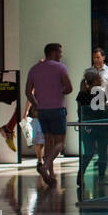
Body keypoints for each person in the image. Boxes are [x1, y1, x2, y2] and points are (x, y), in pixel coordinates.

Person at [25, 43, 72, 187]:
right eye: (59, 52)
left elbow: (28, 92)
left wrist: (37, 104)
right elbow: (69, 88)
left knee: (49, 142)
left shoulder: (34, 69)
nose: (60, 55)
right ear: (52, 53)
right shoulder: (60, 68)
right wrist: (59, 92)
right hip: (57, 109)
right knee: (60, 143)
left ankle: (51, 175)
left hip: (42, 111)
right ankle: (45, 167)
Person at [76, 68, 108, 200]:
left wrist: (82, 123)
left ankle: (81, 173)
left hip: (87, 127)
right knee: (102, 152)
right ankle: (101, 177)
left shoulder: (81, 94)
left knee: (89, 151)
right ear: (96, 80)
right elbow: (104, 110)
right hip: (100, 126)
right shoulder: (99, 92)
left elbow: (79, 110)